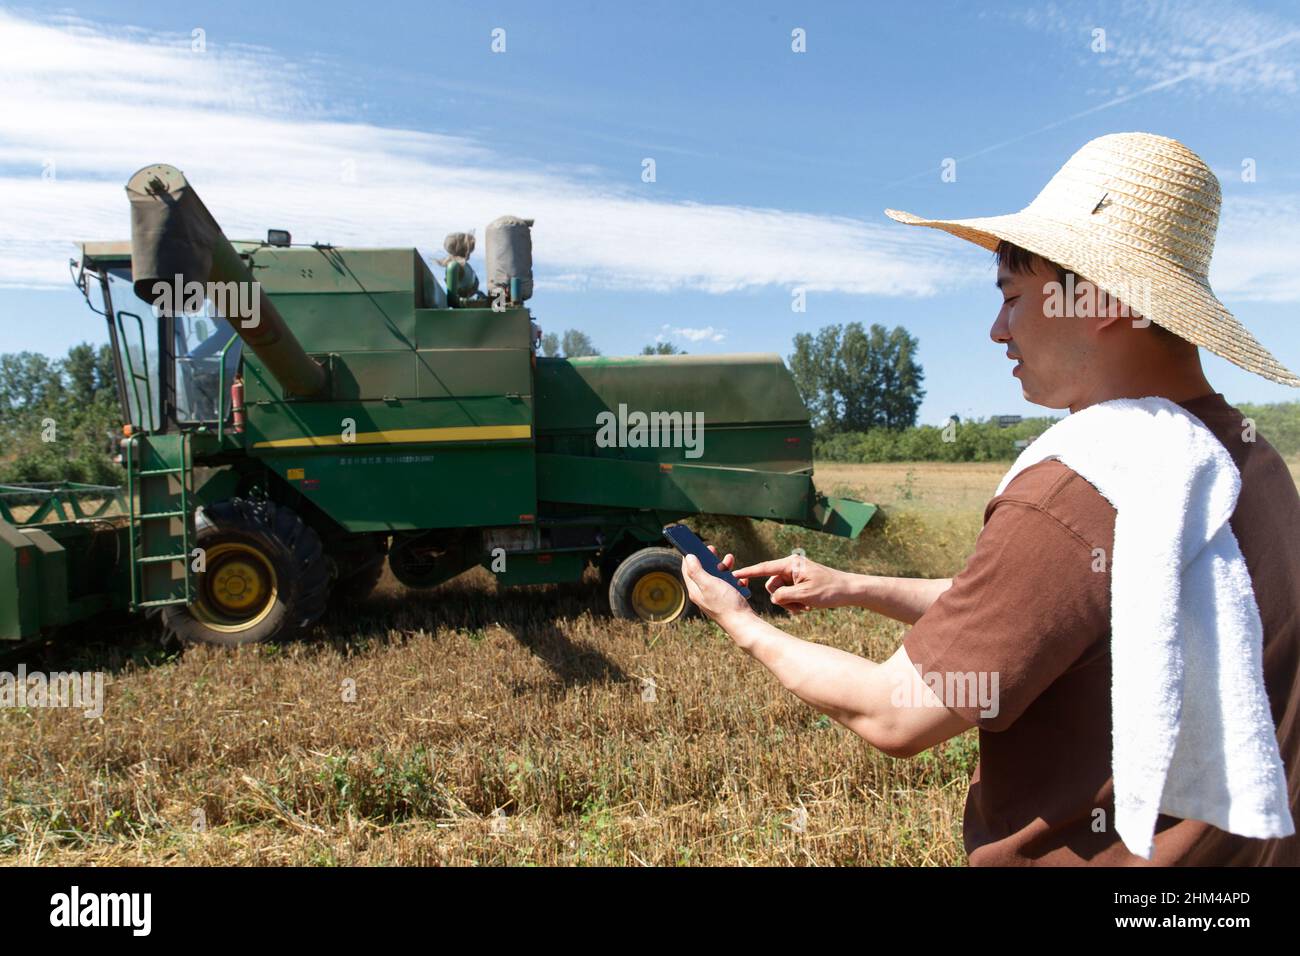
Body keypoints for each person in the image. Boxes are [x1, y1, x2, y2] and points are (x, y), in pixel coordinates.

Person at [680, 132, 1300, 865]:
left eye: (1011, 298)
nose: (997, 329)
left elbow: (893, 714)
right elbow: (1058, 604)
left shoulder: (1086, 484)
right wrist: (852, 585)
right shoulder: (1249, 457)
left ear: (1097, 298)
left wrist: (739, 623)